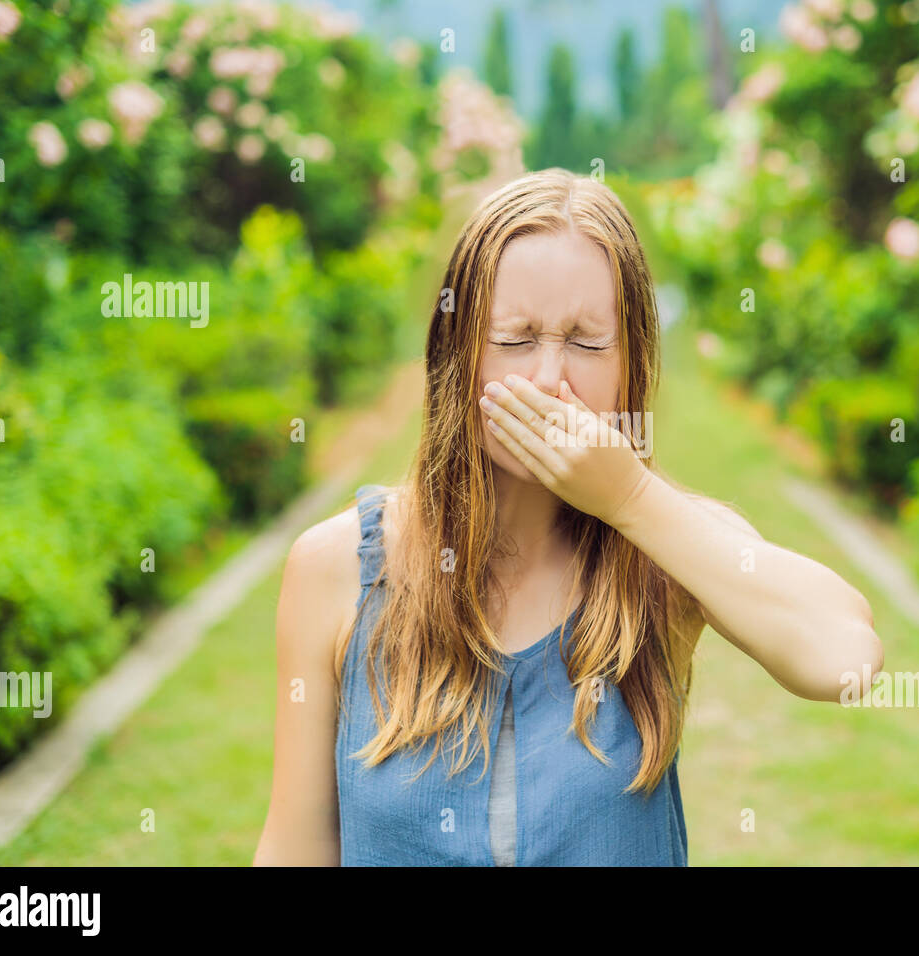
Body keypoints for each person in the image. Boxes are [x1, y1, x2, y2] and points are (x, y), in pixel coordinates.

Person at [253, 168, 882, 866]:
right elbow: (296, 848)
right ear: (457, 355)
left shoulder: (664, 554)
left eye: (586, 343)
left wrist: (632, 499)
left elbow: (845, 660)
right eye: (516, 339)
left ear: (631, 364)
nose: (551, 379)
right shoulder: (336, 567)